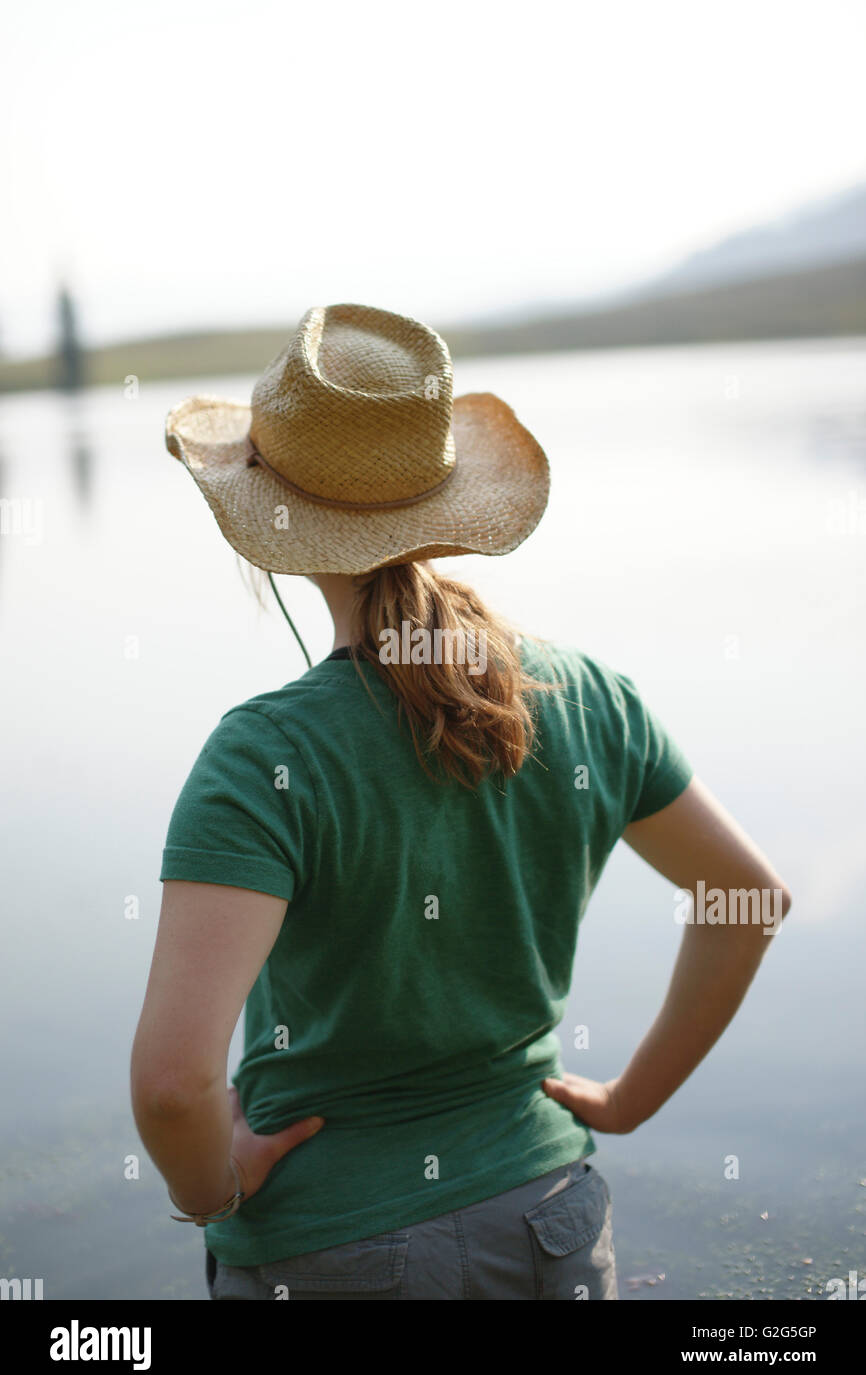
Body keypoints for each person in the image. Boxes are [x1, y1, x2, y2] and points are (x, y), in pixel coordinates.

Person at [130, 303, 792, 1301]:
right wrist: (625, 1099)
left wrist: (211, 1185)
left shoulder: (263, 754)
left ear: (268, 518)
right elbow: (746, 898)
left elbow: (175, 1085)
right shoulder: (588, 698)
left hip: (328, 1250)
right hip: (550, 1222)